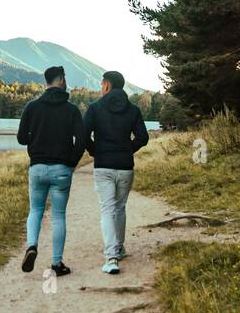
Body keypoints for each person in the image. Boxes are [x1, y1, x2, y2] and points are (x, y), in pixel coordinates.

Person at [17, 66, 85, 277]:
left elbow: (21, 138)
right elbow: (81, 140)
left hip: (37, 167)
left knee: (35, 210)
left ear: (46, 82)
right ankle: (56, 263)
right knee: (58, 216)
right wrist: (72, 163)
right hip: (61, 169)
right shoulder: (72, 110)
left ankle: (32, 246)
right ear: (62, 80)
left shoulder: (32, 107)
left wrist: (36, 138)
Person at [83, 70, 149, 274]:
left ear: (107, 85)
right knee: (120, 208)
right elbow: (143, 137)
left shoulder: (95, 108)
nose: (100, 87)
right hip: (125, 166)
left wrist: (95, 151)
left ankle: (111, 257)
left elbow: (83, 135)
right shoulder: (133, 110)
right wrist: (127, 149)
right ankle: (118, 248)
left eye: (101, 84)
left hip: (103, 165)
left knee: (107, 209)